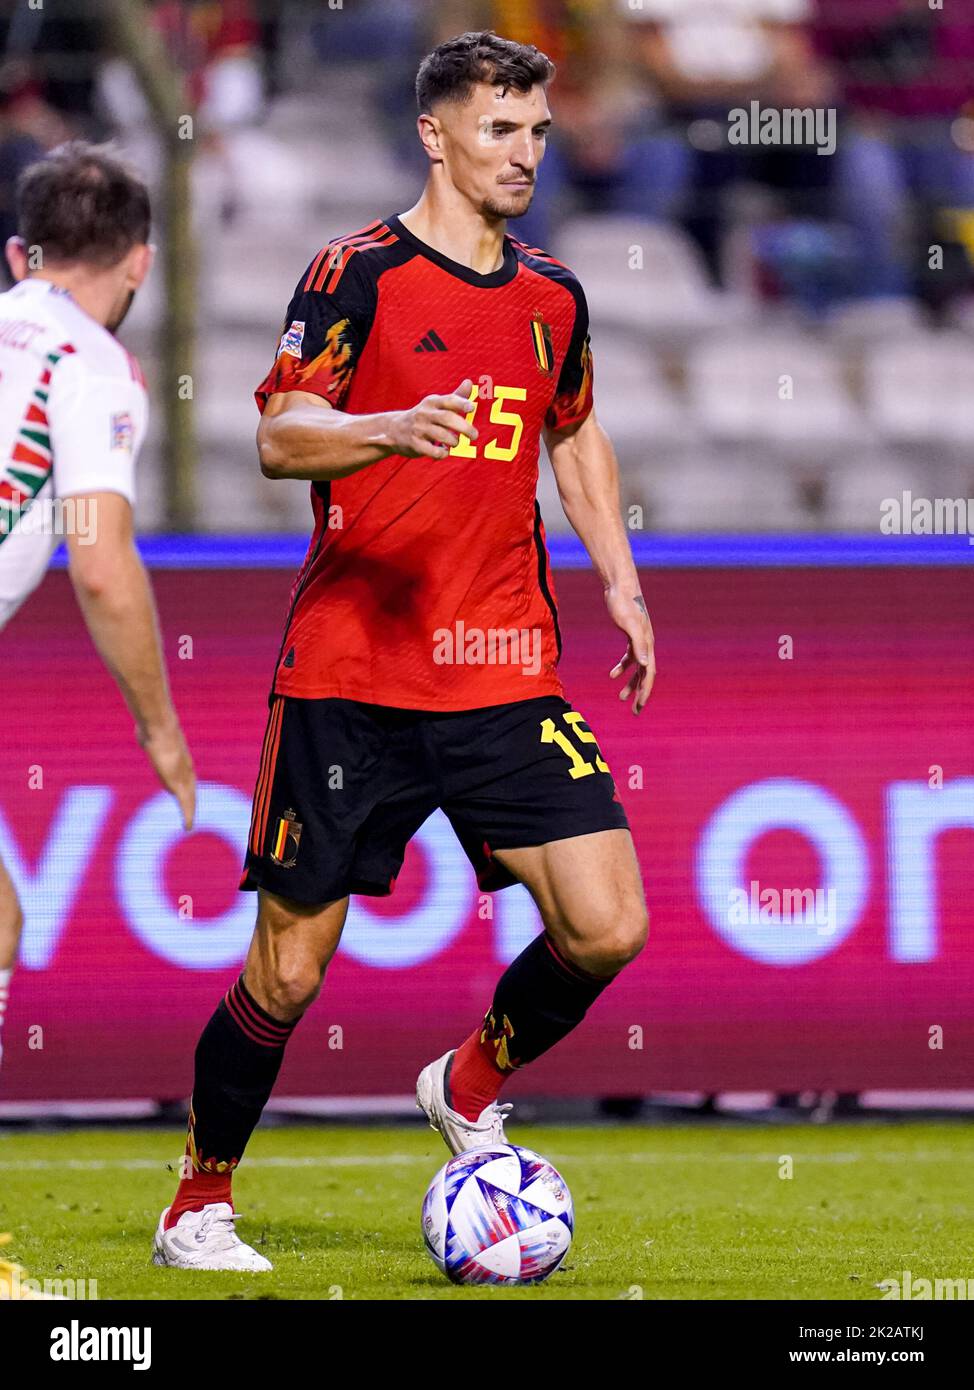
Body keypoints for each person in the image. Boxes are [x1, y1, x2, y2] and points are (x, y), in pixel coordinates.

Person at [154, 29, 653, 1274]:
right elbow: (278, 437)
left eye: (536, 131)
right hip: (352, 675)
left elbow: (575, 438)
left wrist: (622, 584)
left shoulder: (551, 294)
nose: (523, 153)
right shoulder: (354, 273)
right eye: (499, 129)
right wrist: (385, 427)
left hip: (501, 667)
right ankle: (196, 1204)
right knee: (286, 968)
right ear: (435, 134)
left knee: (607, 925)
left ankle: (465, 1081)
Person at [0, 143, 196, 1078]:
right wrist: (160, 728)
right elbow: (103, 563)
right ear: (140, 262)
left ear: (17, 257)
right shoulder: (92, 368)